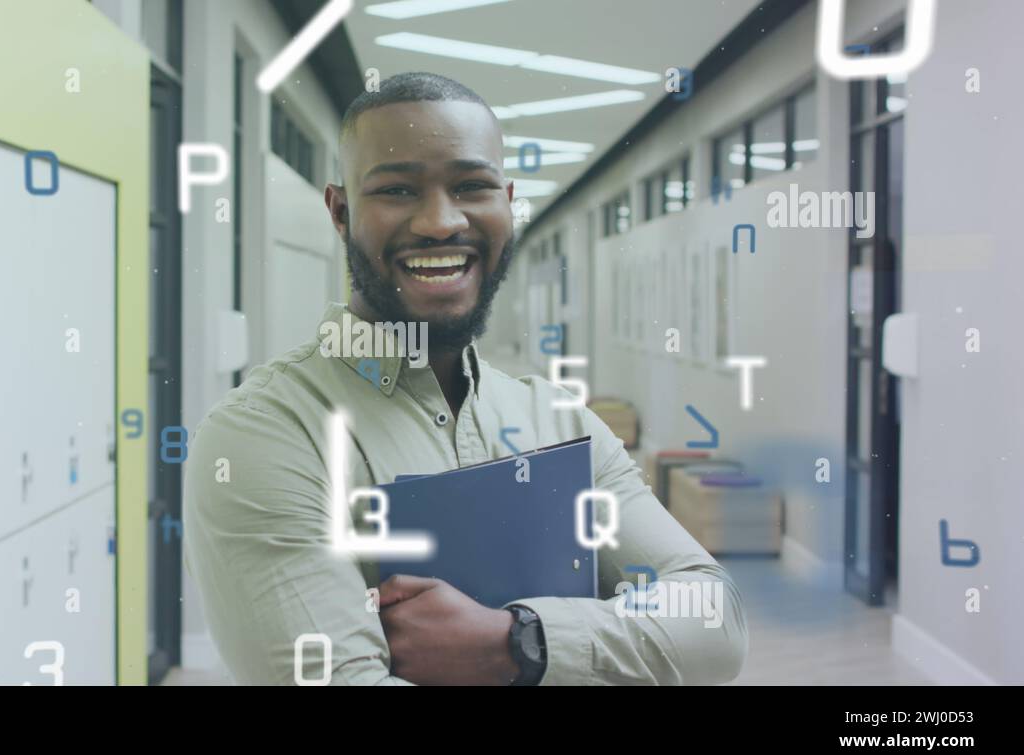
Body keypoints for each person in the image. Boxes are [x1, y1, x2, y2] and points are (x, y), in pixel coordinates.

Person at [184, 72, 747, 685]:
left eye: (472, 186)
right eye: (397, 189)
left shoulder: (559, 420)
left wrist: (519, 642)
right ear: (341, 212)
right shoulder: (266, 435)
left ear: (507, 202)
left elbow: (714, 624)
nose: (440, 222)